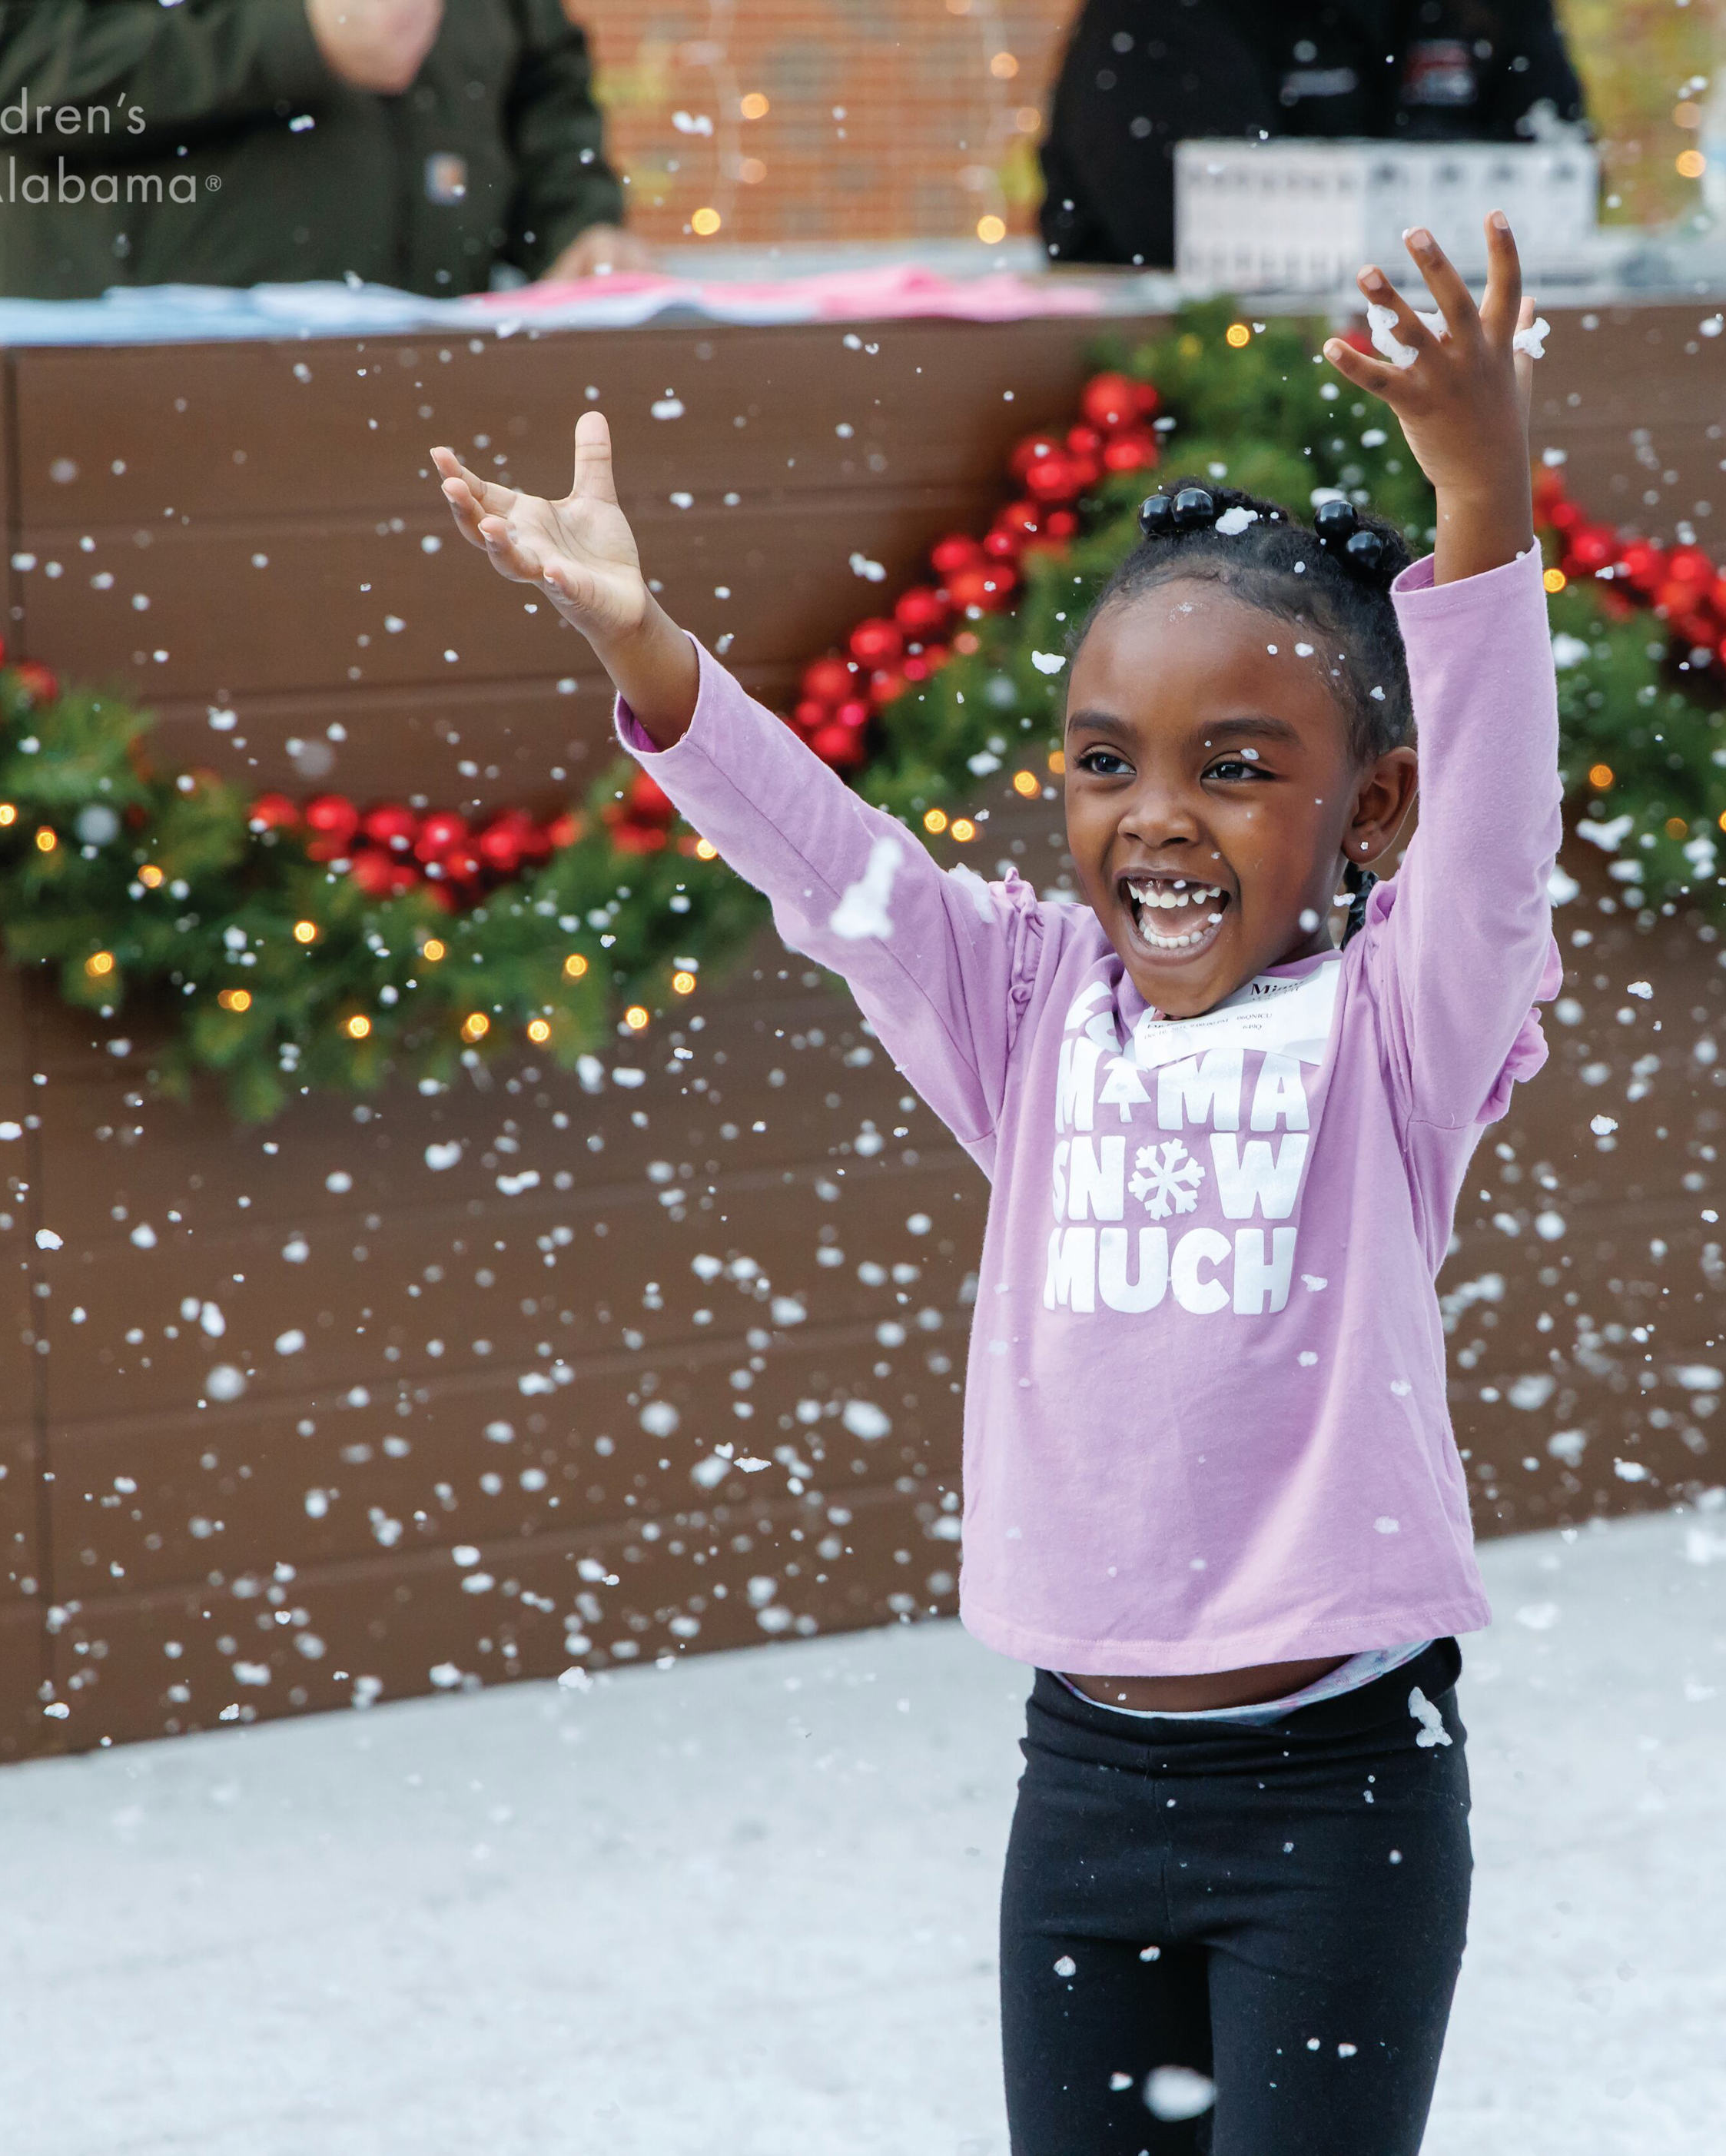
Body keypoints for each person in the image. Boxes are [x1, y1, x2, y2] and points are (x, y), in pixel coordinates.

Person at [432, 215, 1557, 2151]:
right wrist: (643, 643)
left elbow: (1494, 848)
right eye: (1104, 761)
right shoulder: (1025, 1008)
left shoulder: (1399, 1025)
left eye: (1232, 765)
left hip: (1342, 1795)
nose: (1155, 819)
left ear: (1364, 806)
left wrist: (1478, 490)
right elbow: (828, 862)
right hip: (1086, 1792)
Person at [0, 0, 662, 297]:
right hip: (143, 404)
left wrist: (575, 227)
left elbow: (540, 72)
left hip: (433, 382)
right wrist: (296, 39)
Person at [1040, 0, 1586, 267]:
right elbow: (1195, 230)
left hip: (1444, 389)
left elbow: (1564, 175)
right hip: (1186, 393)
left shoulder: (1483, 10)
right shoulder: (1163, 18)